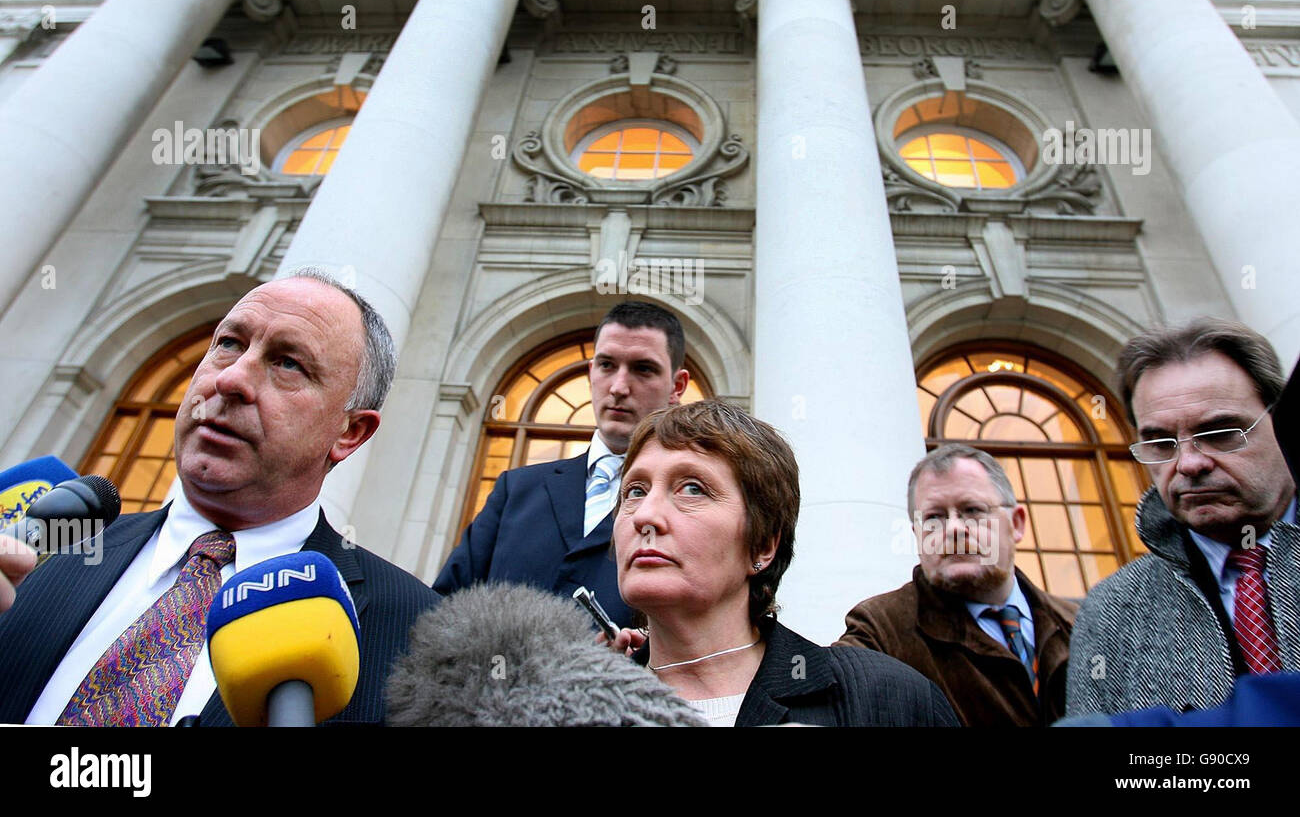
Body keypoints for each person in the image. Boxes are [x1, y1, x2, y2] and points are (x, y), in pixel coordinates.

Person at [0, 270, 438, 726]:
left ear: (349, 432)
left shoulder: (419, 635)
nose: (231, 380)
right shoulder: (42, 554)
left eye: (288, 363)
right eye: (229, 343)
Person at [611, 399, 958, 727]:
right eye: (636, 491)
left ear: (762, 545)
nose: (646, 514)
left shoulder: (888, 699)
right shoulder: (574, 710)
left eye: (692, 489)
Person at [1066, 318, 1299, 716]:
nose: (1189, 463)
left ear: (1279, 421)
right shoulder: (1110, 611)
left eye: (1221, 432)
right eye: (1159, 443)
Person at [434, 300, 689, 628]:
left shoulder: (690, 505)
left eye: (643, 369)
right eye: (607, 365)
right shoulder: (516, 490)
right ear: (591, 372)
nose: (619, 387)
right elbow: (442, 609)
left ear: (677, 386)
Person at [834, 445, 1076, 726]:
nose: (953, 529)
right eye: (934, 517)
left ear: (1017, 523)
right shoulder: (880, 629)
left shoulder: (1083, 622)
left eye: (972, 510)